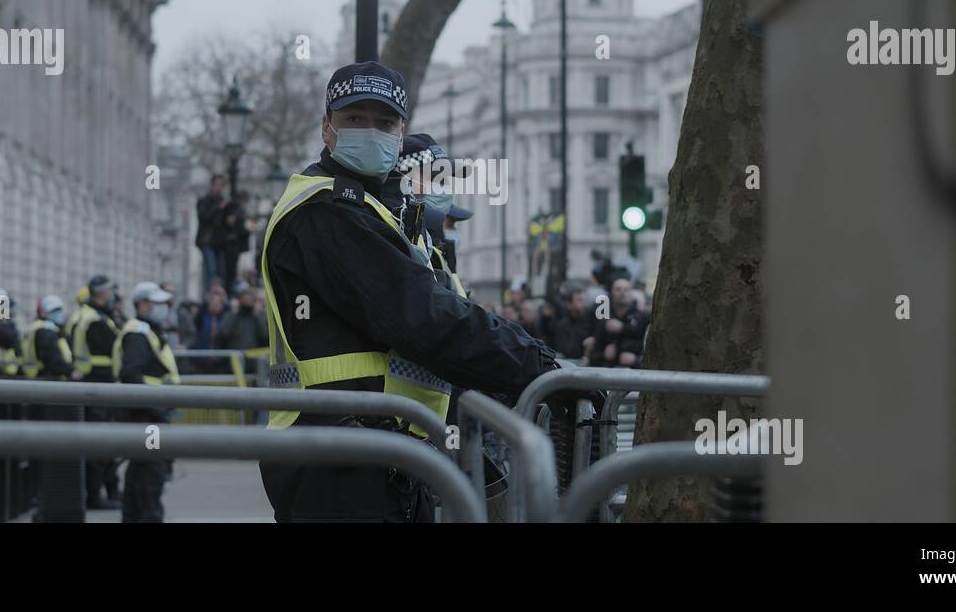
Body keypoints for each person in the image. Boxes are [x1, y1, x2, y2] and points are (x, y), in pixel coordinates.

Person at [258, 61, 560, 522]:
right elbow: (424, 317)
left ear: (401, 133)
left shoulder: (365, 210)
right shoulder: (327, 210)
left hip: (380, 450)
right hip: (339, 458)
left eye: (384, 122)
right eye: (354, 119)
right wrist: (539, 367)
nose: (370, 131)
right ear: (326, 127)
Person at [113, 282, 180, 523]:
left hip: (146, 412)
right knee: (151, 474)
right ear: (142, 305)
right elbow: (131, 374)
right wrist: (157, 409)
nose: (165, 308)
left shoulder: (146, 330)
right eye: (159, 304)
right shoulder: (138, 333)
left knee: (140, 473)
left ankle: (134, 518)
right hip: (146, 414)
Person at [72, 275, 121, 508]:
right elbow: (116, 346)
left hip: (90, 385)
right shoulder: (96, 320)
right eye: (111, 292)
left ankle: (102, 491)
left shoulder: (84, 316)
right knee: (100, 444)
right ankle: (96, 495)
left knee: (99, 442)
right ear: (102, 293)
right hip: (99, 386)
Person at [584, 278, 650, 367]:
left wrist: (636, 360)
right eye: (618, 289)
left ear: (631, 293)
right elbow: (594, 353)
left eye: (626, 289)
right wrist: (604, 355)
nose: (622, 293)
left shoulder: (642, 316)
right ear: (611, 293)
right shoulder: (604, 318)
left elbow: (649, 347)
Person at [21, 295, 80, 381]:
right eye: (54, 311)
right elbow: (51, 358)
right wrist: (70, 371)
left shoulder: (39, 327)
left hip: (38, 377)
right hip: (45, 377)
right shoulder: (45, 330)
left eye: (59, 310)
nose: (59, 313)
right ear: (43, 313)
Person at [218, 191, 251, 294]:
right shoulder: (238, 211)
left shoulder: (239, 211)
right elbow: (240, 228)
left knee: (231, 271)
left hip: (234, 246)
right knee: (229, 271)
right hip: (231, 246)